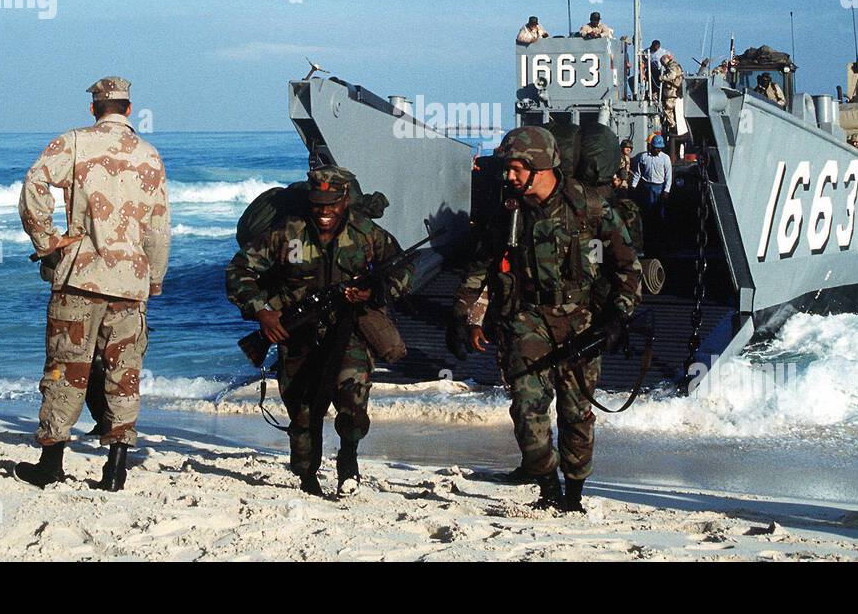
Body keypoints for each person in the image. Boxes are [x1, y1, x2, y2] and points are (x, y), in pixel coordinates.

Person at [449, 127, 641, 512]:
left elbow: (627, 266)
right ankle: (546, 486)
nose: (510, 176)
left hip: (580, 320)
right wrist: (464, 316)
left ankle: (573, 493)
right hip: (527, 318)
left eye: (517, 168)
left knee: (576, 413)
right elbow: (483, 266)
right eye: (508, 169)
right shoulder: (509, 214)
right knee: (526, 406)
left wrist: (619, 315)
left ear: (540, 166)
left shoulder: (589, 208)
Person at [14, 76, 170, 492]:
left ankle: (51, 463)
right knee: (125, 372)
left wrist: (46, 240)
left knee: (67, 369)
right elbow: (158, 230)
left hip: (80, 276)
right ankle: (116, 466)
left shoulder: (75, 142)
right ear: (129, 109)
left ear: (94, 108)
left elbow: (35, 183)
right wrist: (154, 278)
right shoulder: (150, 155)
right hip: (130, 282)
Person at [225, 166, 415, 497]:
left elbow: (403, 268)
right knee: (302, 413)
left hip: (348, 329)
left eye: (331, 203)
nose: (324, 211)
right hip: (299, 333)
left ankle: (349, 461)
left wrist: (377, 293)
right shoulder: (288, 233)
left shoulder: (365, 232)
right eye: (317, 203)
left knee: (352, 400)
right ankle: (307, 475)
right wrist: (262, 312)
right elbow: (240, 271)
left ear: (344, 200)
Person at [631, 134, 673, 226]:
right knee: (647, 209)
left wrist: (666, 190)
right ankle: (648, 228)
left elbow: (668, 176)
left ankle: (659, 228)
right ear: (652, 146)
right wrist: (633, 186)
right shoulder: (643, 157)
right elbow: (638, 173)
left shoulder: (665, 158)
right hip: (646, 187)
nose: (658, 150)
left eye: (660, 148)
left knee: (659, 210)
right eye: (656, 148)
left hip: (659, 188)